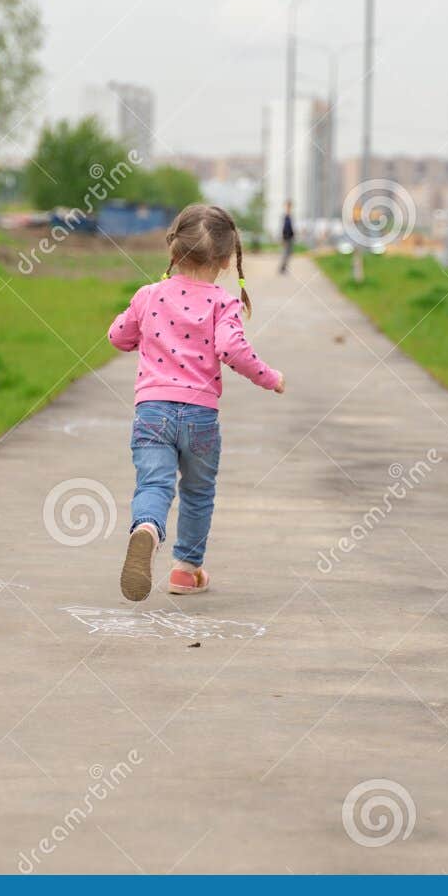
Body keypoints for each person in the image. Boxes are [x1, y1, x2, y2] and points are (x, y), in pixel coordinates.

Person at [106, 204, 285, 600]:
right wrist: (270, 378)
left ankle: (147, 530)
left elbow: (117, 336)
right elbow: (232, 349)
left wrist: (144, 329)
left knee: (154, 483)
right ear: (225, 260)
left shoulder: (149, 295)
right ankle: (186, 570)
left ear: (173, 251)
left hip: (152, 411)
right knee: (198, 491)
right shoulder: (223, 303)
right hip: (201, 417)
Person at [278, 202, 296, 274]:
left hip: (290, 238)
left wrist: (293, 235)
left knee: (289, 253)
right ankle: (283, 268)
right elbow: (284, 229)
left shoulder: (290, 216)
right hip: (286, 238)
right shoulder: (285, 217)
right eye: (288, 206)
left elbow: (291, 228)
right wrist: (283, 239)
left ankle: (284, 268)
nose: (289, 208)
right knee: (285, 253)